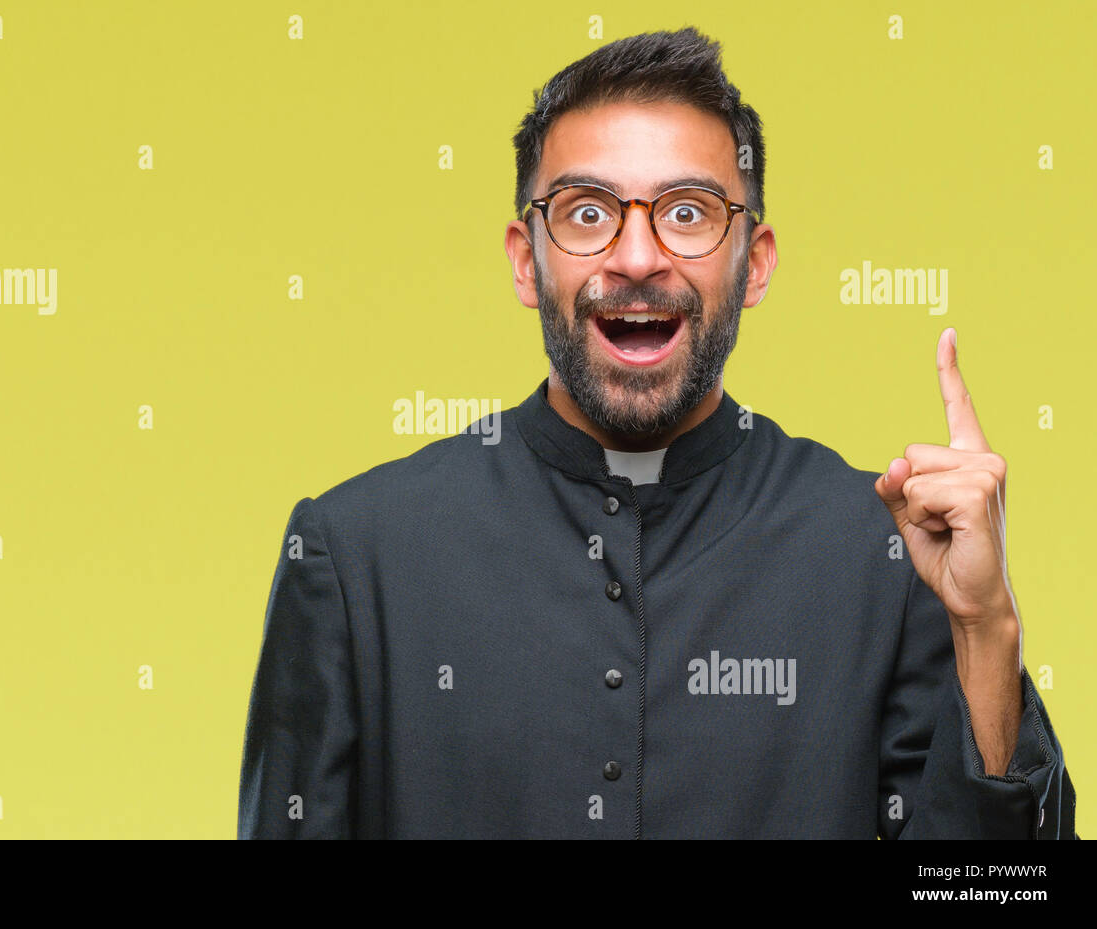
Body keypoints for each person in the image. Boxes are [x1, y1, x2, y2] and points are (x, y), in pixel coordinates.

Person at [237, 27, 1076, 839]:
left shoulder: (889, 552)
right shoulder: (355, 554)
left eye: (686, 211)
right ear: (527, 260)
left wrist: (985, 628)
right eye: (588, 211)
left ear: (755, 262)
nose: (637, 256)